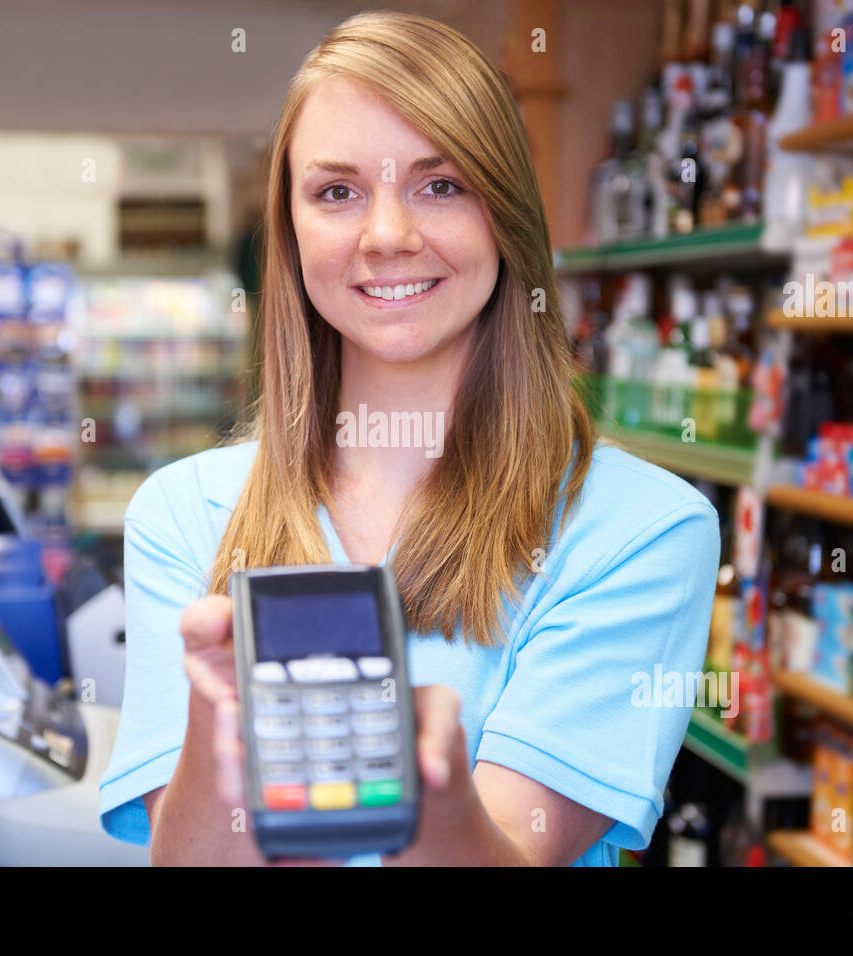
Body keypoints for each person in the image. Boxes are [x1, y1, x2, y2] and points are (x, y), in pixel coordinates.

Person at [99, 10, 719, 867]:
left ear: (505, 214)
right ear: (291, 231)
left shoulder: (641, 528)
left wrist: (430, 789)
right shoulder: (183, 513)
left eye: (441, 184)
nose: (388, 235)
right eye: (337, 191)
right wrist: (217, 722)